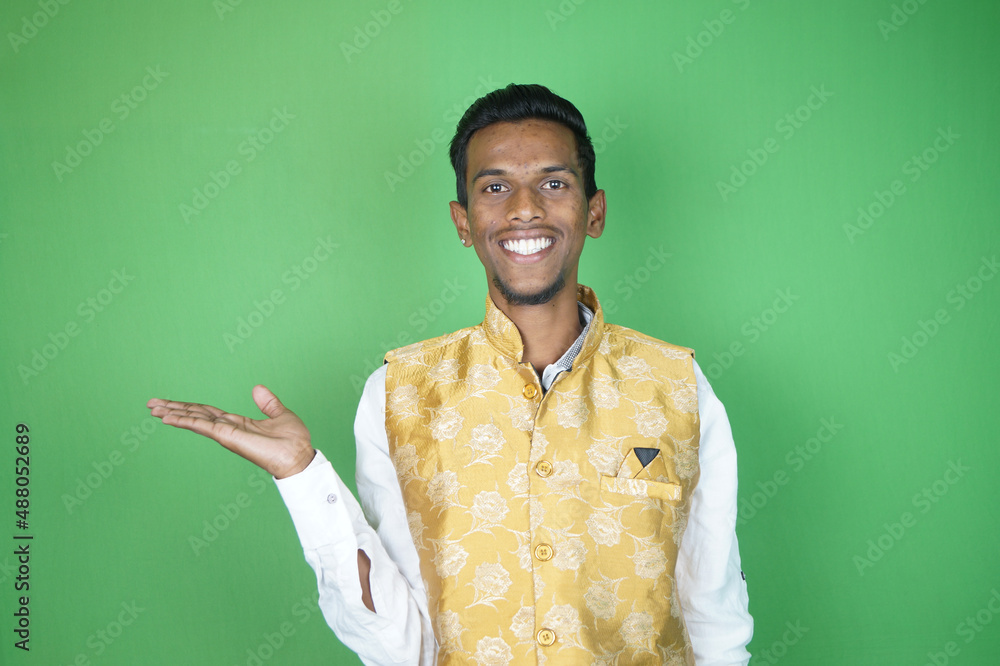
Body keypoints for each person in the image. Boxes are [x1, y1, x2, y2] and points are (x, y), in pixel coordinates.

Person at [148, 83, 753, 665]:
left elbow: (714, 618)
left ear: (593, 211)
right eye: (494, 186)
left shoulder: (676, 385)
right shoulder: (399, 395)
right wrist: (302, 478)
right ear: (463, 222)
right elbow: (399, 643)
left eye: (553, 182)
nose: (524, 208)